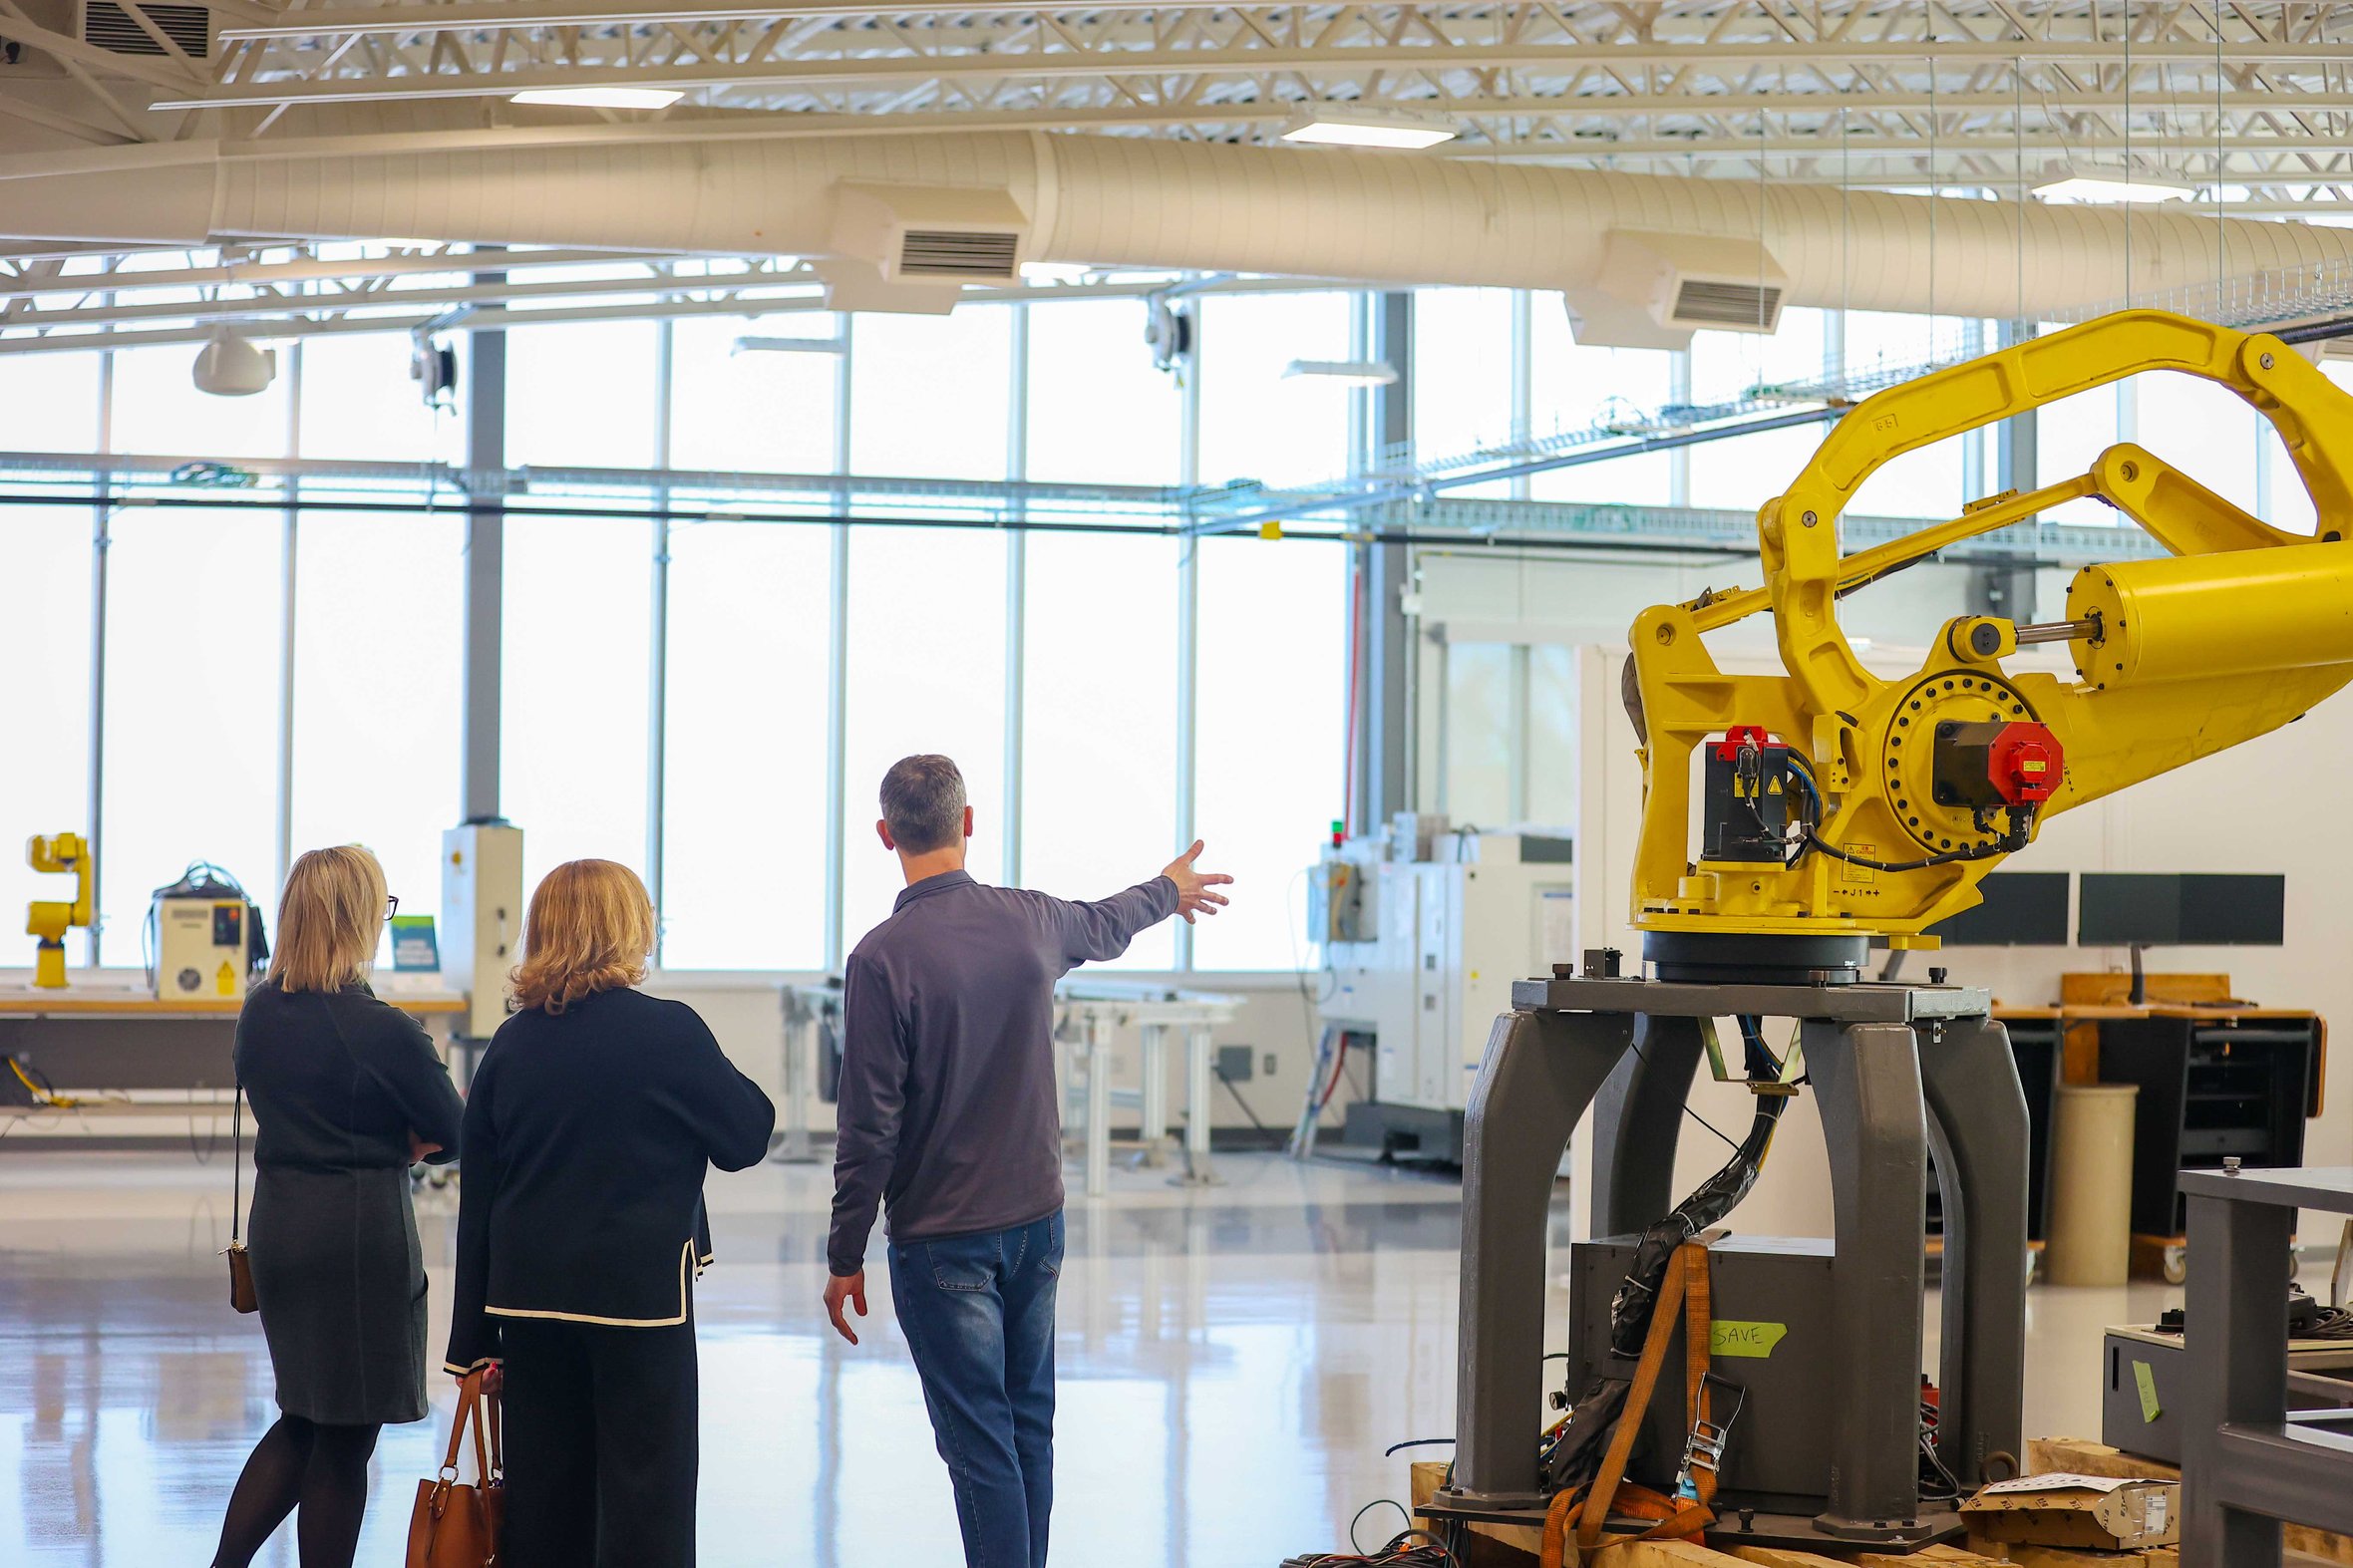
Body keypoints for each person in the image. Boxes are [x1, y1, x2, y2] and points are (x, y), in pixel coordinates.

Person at [823, 754, 1232, 1568]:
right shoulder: (1029, 921)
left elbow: (870, 1123)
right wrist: (1169, 888)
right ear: (967, 822)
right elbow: (1107, 921)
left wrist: (845, 1252)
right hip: (1036, 1227)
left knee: (978, 1443)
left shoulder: (881, 957)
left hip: (942, 1238)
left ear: (883, 835)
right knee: (1027, 1425)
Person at [444, 858, 775, 1568]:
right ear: (632, 929)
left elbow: (481, 1200)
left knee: (544, 1506)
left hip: (529, 1308)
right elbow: (747, 1134)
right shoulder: (671, 1033)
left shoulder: (510, 1044)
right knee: (647, 1498)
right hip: (641, 1304)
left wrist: (473, 1339)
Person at [213, 845, 465, 1568]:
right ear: (359, 919)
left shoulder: (258, 1011)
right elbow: (455, 1131)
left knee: (302, 1416)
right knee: (346, 1436)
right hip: (355, 1239)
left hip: (281, 1231)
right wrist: (402, 1143)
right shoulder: (381, 1029)